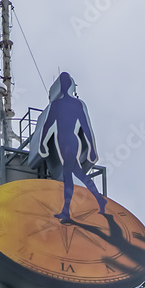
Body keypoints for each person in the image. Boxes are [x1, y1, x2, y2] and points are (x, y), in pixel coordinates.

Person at [28, 71, 107, 222]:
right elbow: (47, 126)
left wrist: (91, 149)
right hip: (65, 142)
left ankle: (66, 211)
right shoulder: (68, 105)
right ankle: (98, 200)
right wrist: (43, 143)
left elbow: (85, 127)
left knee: (68, 175)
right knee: (78, 173)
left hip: (68, 142)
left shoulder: (67, 105)